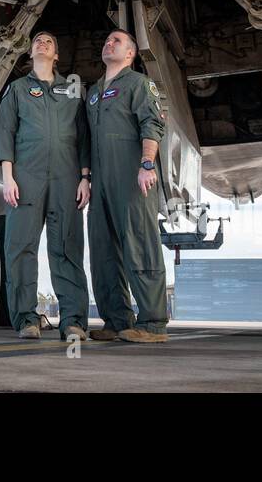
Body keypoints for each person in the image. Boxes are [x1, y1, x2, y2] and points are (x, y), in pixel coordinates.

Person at [0, 30, 91, 340]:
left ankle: (73, 320)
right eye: (37, 40)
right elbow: (5, 132)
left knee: (67, 247)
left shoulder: (72, 90)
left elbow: (84, 136)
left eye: (49, 41)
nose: (43, 43)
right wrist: (7, 177)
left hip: (67, 178)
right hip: (26, 178)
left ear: (56, 55)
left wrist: (85, 178)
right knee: (21, 248)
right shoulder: (17, 89)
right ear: (30, 51)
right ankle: (26, 319)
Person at [85, 29, 169, 343]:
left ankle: (153, 323)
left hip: (131, 176)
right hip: (100, 180)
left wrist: (147, 163)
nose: (109, 43)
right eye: (106, 40)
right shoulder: (93, 91)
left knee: (139, 244)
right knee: (103, 251)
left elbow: (152, 122)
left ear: (131, 53)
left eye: (117, 41)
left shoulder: (138, 84)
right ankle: (117, 320)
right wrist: (86, 178)